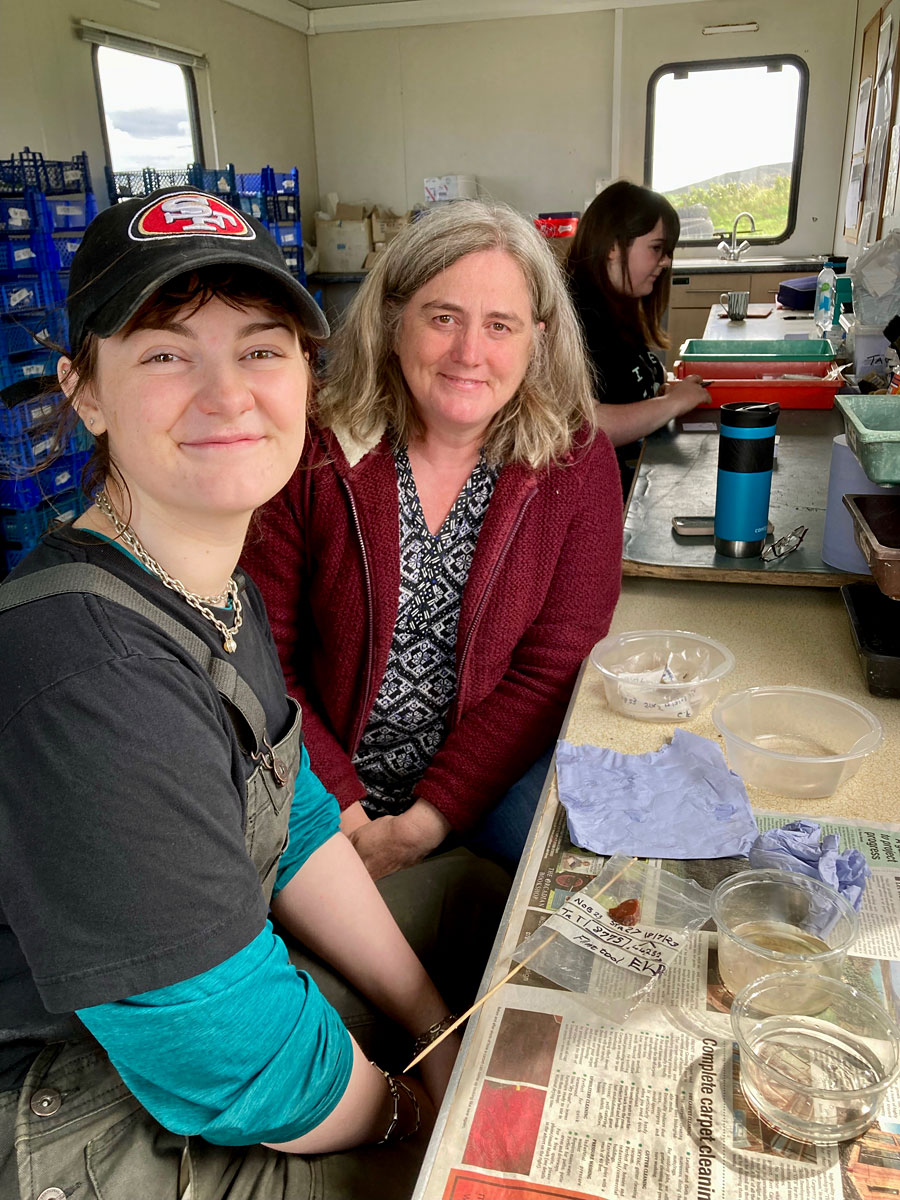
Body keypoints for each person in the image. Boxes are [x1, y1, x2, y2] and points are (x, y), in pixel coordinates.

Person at [0, 188, 509, 1200]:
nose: (228, 394)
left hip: (202, 1010)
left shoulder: (208, 581)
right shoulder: (87, 672)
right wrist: (419, 1118)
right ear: (84, 390)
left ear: (306, 378)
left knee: (487, 920)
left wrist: (427, 1024)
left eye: (262, 349)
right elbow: (229, 1054)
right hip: (73, 1110)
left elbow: (299, 817)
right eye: (164, 353)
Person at [242, 201, 624, 882]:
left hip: (491, 779)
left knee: (596, 878)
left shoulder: (575, 461)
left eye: (499, 326)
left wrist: (429, 820)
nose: (468, 354)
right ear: (393, 323)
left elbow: (553, 664)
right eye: (442, 317)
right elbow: (264, 657)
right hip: (318, 778)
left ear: (537, 337)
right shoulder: (311, 452)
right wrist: (342, 810)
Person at [566, 179, 710, 497]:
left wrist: (665, 394)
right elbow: (585, 427)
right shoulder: (574, 319)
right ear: (613, 247)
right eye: (657, 249)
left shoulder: (614, 307)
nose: (666, 262)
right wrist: (670, 403)